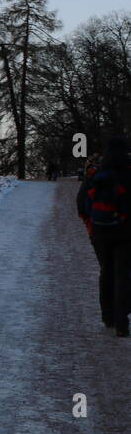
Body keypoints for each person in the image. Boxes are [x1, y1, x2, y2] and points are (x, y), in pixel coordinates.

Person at [77, 137, 131, 336]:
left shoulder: (96, 174)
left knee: (106, 271)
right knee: (123, 274)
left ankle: (108, 317)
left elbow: (81, 203)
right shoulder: (128, 173)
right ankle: (122, 321)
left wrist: (90, 224)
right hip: (126, 231)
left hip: (100, 231)